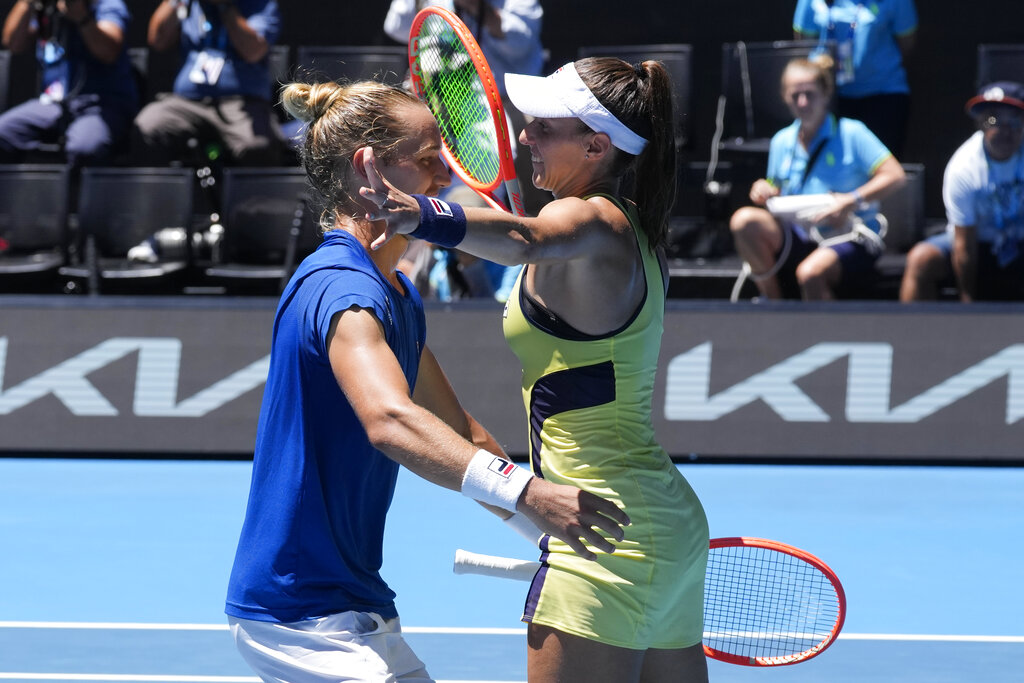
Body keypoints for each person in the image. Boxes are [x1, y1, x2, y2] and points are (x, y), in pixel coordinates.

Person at [223, 78, 630, 683]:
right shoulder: (342, 289)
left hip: (354, 603)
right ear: (368, 167)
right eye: (428, 160)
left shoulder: (396, 293)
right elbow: (391, 420)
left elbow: (459, 432)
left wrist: (550, 535)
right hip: (300, 615)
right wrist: (531, 496)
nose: (446, 176)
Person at [362, 57, 711, 683]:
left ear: (596, 146)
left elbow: (525, 240)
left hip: (600, 526)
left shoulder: (593, 220)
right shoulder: (628, 225)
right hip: (652, 520)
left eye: (544, 128)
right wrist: (519, 500)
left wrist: (417, 214)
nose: (524, 136)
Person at [385, 0, 545, 299]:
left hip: (491, 119)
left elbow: (521, 42)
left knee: (468, 214)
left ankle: (481, 292)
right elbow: (396, 25)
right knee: (425, 229)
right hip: (435, 112)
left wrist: (476, 6)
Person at [729, 56, 906, 301]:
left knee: (810, 273)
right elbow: (776, 187)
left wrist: (850, 201)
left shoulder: (852, 132)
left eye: (809, 94)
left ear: (825, 94)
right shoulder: (781, 140)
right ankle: (773, 305)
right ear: (784, 96)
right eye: (795, 95)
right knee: (743, 221)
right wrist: (764, 190)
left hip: (851, 235)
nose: (802, 102)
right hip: (800, 234)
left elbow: (895, 176)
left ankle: (821, 325)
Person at [900, 82, 1024, 302]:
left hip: (1019, 244)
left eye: (1014, 121)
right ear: (980, 124)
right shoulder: (963, 167)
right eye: (993, 120)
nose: (1005, 131)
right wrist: (968, 305)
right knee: (921, 260)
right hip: (976, 242)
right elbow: (964, 244)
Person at [132, 0, 282, 166]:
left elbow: (253, 51)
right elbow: (157, 40)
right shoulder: (189, 4)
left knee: (257, 145)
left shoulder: (259, 5)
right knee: (148, 125)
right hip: (187, 103)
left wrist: (225, 7)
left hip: (241, 103)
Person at [0, 0, 138, 166]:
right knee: (3, 133)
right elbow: (13, 44)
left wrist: (82, 18)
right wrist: (27, 3)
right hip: (53, 104)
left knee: (84, 148)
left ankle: (77, 184)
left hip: (101, 104)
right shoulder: (48, 9)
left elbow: (108, 52)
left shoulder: (106, 5)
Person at [793, 0, 918, 156]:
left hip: (883, 97)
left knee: (880, 162)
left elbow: (906, 44)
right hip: (830, 99)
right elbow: (803, 46)